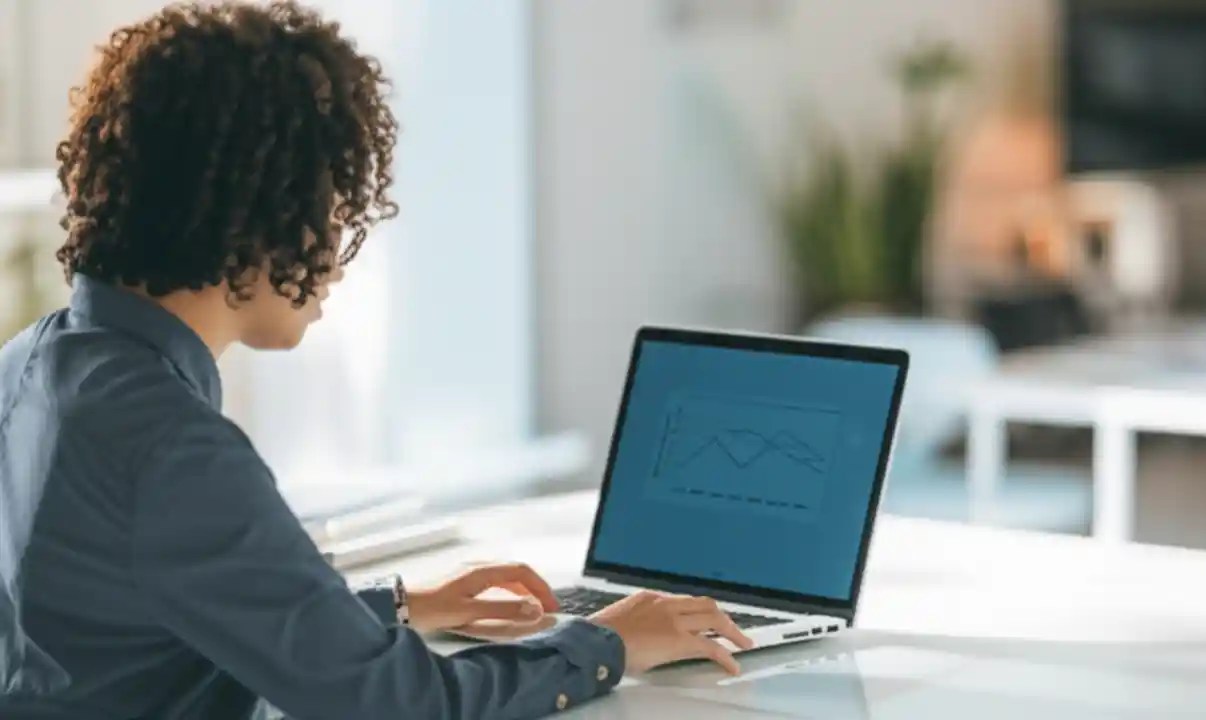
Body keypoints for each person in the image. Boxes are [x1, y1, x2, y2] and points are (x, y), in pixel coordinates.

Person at [0, 2, 751, 718]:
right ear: (256, 214)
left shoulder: (32, 366)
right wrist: (606, 643)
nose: (336, 257)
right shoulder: (171, 449)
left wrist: (397, 608)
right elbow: (397, 704)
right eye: (331, 213)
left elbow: (155, 625)